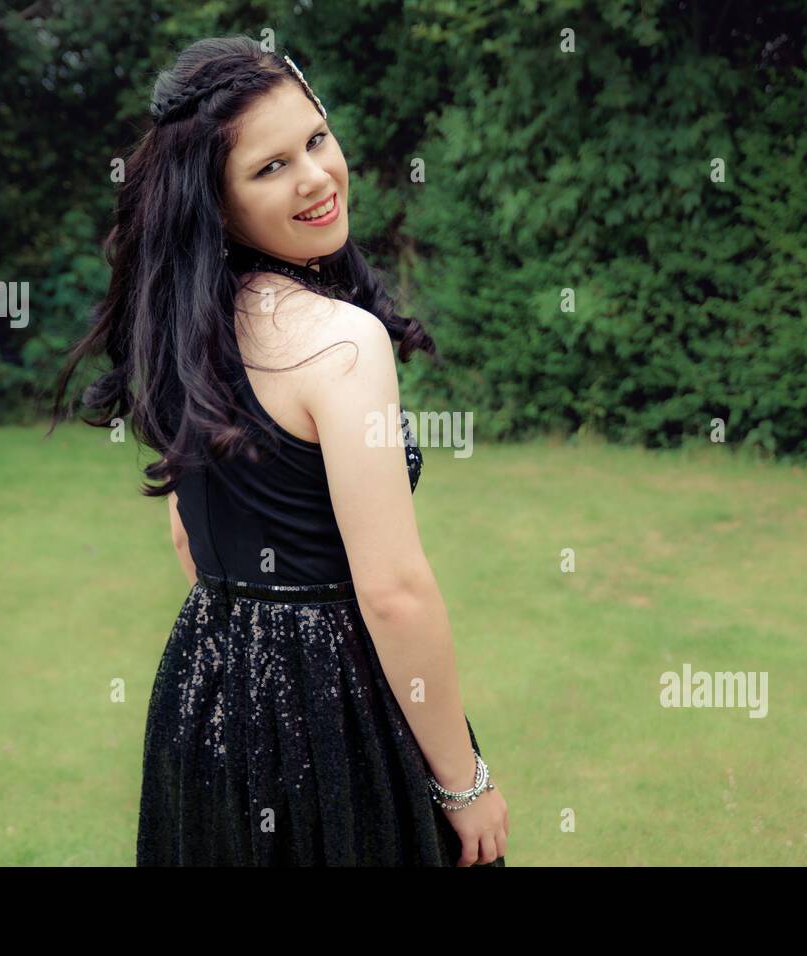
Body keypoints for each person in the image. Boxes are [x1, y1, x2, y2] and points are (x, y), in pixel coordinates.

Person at [46, 35, 508, 866]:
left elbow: (193, 540)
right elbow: (395, 592)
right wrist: (463, 783)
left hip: (202, 698)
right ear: (217, 202)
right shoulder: (342, 342)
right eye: (269, 168)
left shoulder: (183, 330)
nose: (316, 178)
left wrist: (248, 641)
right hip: (336, 715)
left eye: (317, 140)